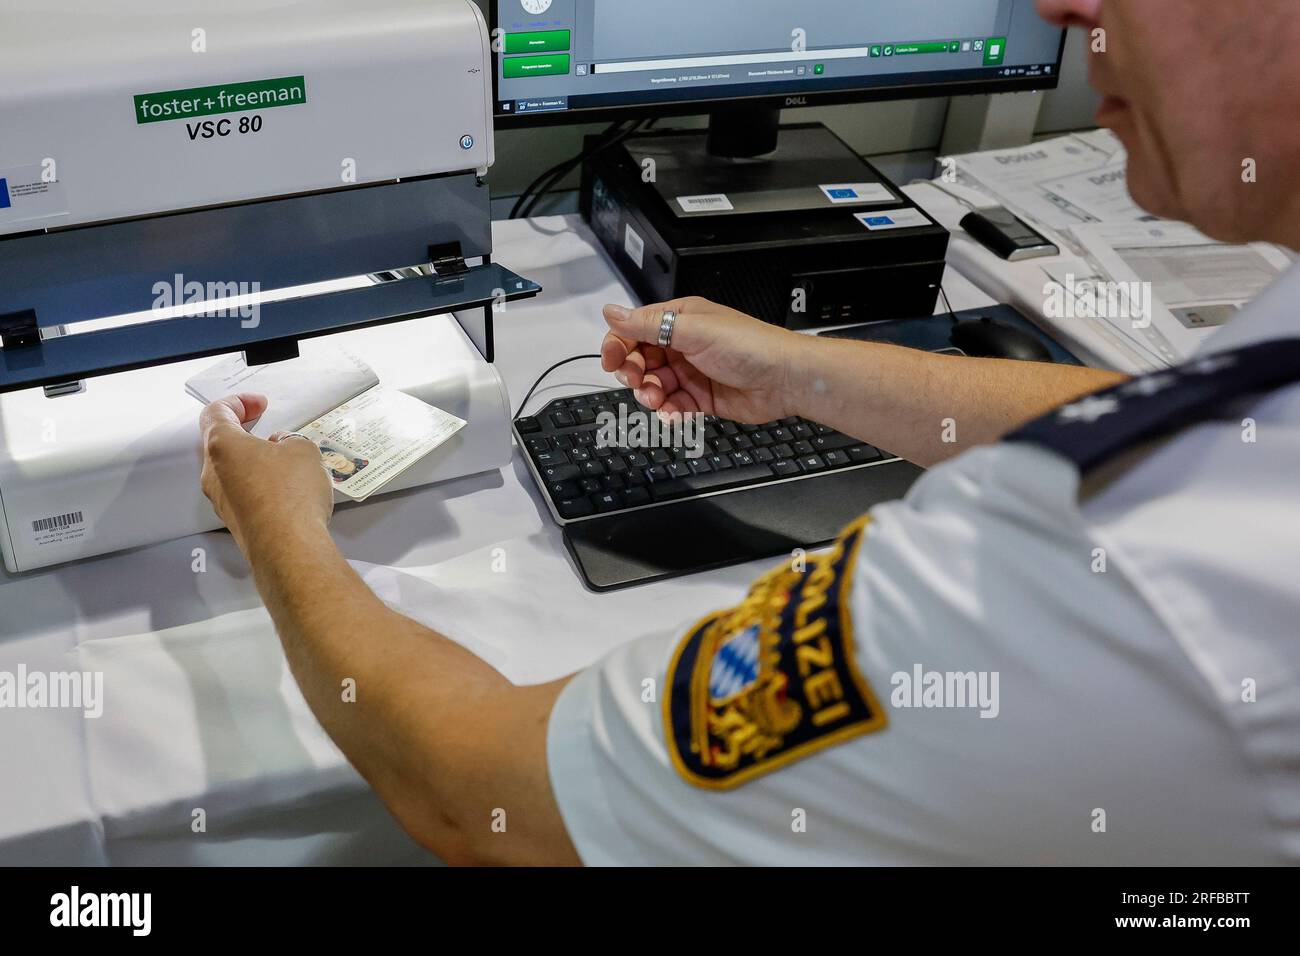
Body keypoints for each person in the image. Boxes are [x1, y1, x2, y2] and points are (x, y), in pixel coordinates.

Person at [198, 0, 1300, 865]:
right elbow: (1164, 425)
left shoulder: (1109, 576)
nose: (1059, 6)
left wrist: (280, 525)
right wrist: (803, 369)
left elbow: (480, 794)